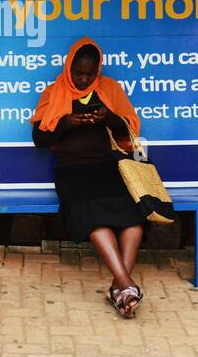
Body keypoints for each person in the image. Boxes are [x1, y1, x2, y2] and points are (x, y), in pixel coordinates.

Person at [32, 38, 147, 318]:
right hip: (71, 170)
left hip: (109, 167)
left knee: (134, 217)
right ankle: (126, 285)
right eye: (78, 73)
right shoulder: (54, 92)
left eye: (90, 74)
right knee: (93, 215)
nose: (84, 80)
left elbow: (128, 128)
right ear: (68, 68)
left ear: (98, 70)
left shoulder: (110, 89)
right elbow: (39, 139)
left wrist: (108, 118)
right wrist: (65, 123)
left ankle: (120, 287)